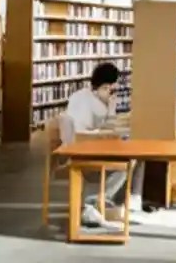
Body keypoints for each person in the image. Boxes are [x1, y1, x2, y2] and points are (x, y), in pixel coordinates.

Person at [60, 62, 143, 227]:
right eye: (112, 90)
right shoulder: (94, 105)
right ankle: (105, 199)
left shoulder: (81, 95)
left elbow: (103, 127)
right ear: (105, 87)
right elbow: (95, 132)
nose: (113, 95)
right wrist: (111, 111)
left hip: (73, 151)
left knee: (132, 154)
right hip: (85, 158)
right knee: (131, 159)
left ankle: (123, 201)